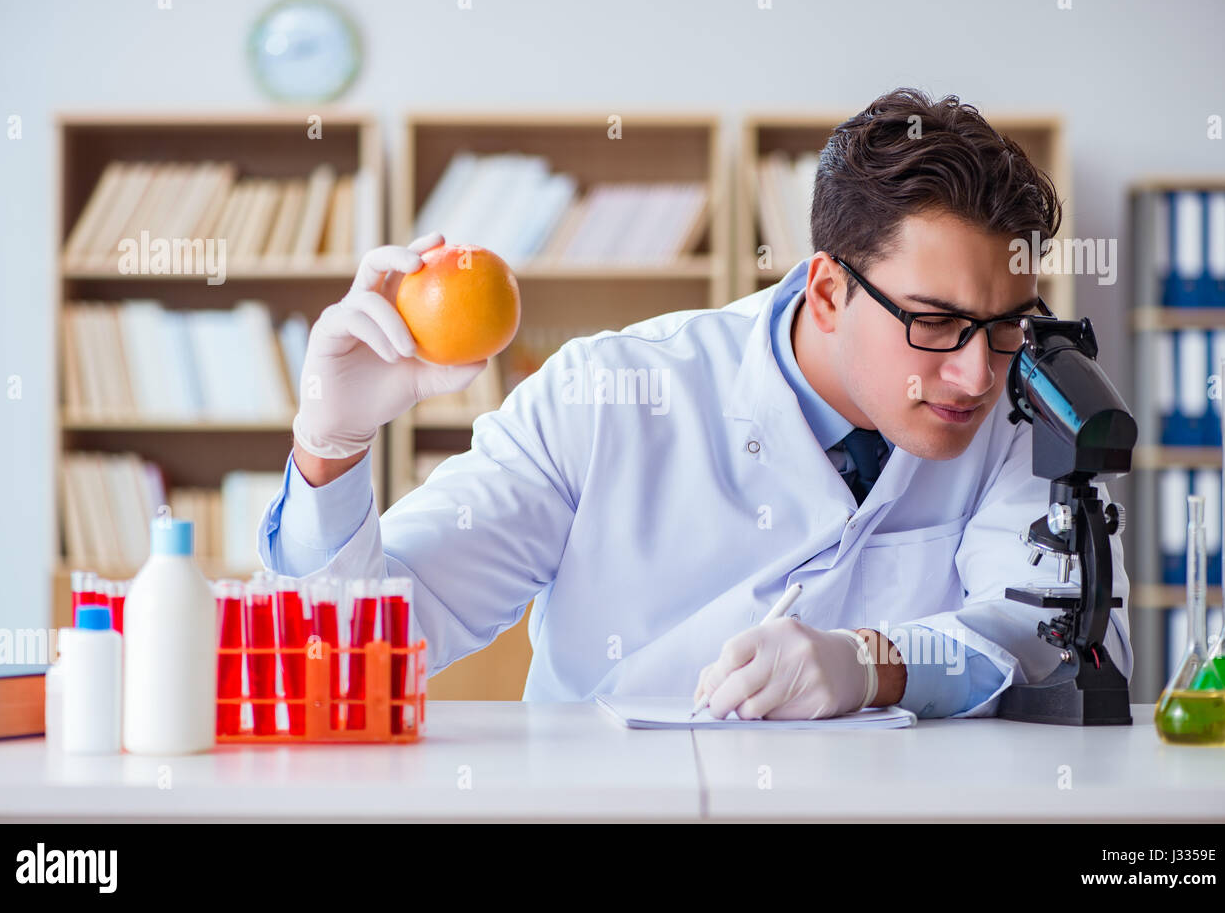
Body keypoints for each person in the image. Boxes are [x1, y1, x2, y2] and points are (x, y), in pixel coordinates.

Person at [258, 87, 1132, 720]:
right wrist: (329, 448)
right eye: (937, 322)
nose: (979, 373)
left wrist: (880, 664)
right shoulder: (604, 396)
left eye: (1009, 324)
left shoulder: (1018, 406)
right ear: (827, 292)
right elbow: (347, 658)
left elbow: (1074, 648)